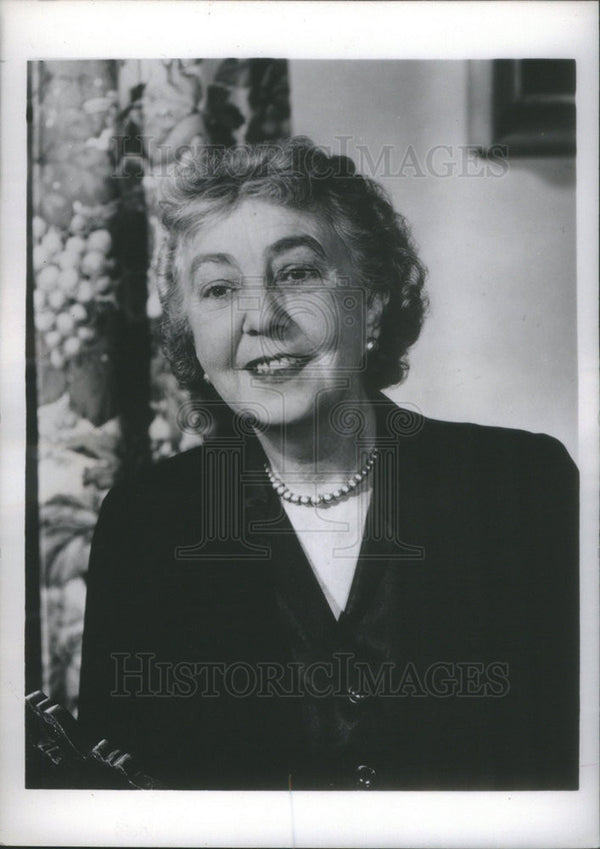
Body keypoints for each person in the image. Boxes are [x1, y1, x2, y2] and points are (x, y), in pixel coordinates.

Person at [78, 138, 579, 790]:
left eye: (297, 273)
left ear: (371, 300)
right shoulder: (145, 522)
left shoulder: (524, 488)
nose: (261, 316)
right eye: (220, 287)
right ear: (190, 336)